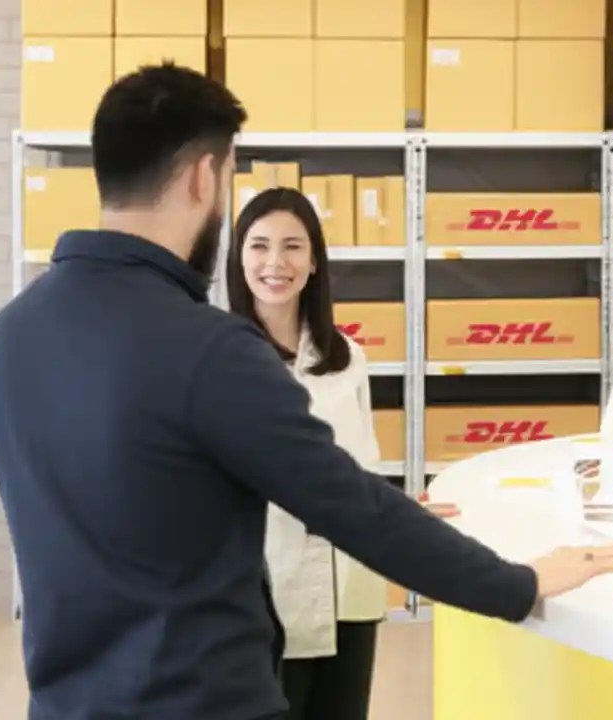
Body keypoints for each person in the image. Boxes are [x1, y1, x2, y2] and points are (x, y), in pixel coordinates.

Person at [0, 63, 613, 720]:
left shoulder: (12, 335)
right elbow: (352, 507)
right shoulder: (210, 349)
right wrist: (521, 583)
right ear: (204, 175)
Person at [227, 187, 386, 720]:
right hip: (264, 594)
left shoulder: (348, 359)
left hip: (349, 590)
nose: (276, 263)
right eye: (259, 246)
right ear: (238, 257)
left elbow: (363, 470)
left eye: (293, 246)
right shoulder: (217, 360)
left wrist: (405, 513)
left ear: (314, 260)